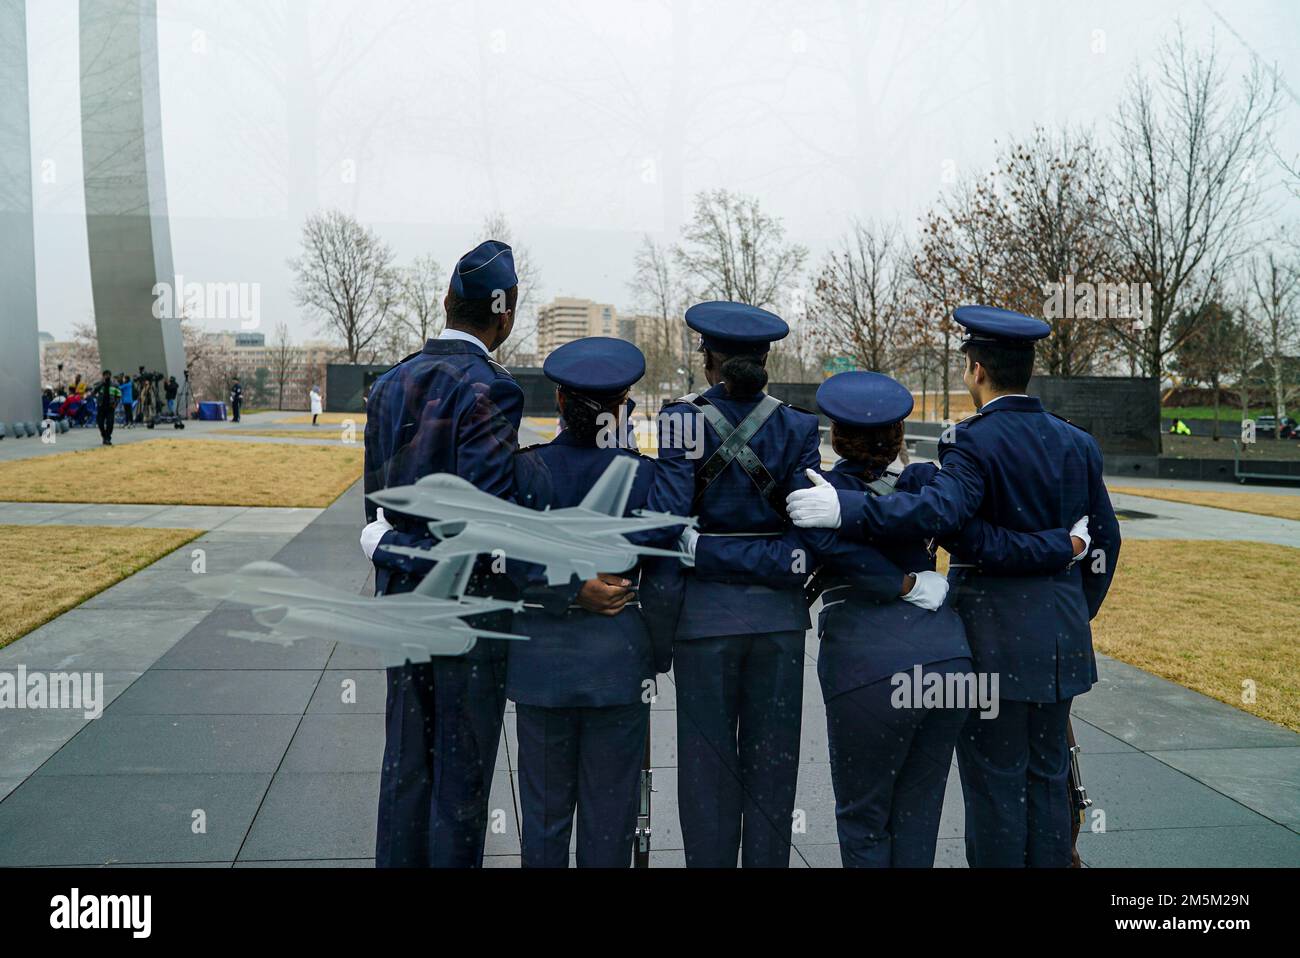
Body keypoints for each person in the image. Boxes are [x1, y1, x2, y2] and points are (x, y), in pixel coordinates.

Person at [787, 305, 1122, 868]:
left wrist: (844, 507)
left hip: (992, 636)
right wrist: (1070, 603)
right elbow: (1105, 541)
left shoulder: (971, 443)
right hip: (1060, 637)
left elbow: (959, 531)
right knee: (1047, 780)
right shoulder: (1077, 443)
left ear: (975, 370)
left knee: (995, 785)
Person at [359, 239, 628, 868]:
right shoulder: (490, 390)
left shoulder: (392, 383)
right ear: (504, 318)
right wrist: (567, 586)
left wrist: (391, 552)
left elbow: (376, 516)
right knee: (459, 777)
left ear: (448, 303)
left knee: (403, 767)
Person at [653, 301, 834, 868]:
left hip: (704, 622)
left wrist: (704, 550)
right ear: (765, 361)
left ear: (709, 362)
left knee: (706, 774)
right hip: (778, 622)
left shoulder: (679, 421)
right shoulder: (800, 427)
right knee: (773, 772)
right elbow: (802, 546)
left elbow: (671, 527)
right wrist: (769, 558)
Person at [508, 337, 691, 867]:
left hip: (543, 664)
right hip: (618, 663)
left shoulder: (525, 470)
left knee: (543, 821)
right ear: (624, 407)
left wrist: (564, 590)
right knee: (609, 820)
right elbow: (664, 572)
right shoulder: (647, 476)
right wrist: (654, 654)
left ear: (560, 403)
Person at [91, 370, 121, 446]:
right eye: (105, 375)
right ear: (103, 376)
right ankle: (104, 435)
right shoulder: (99, 384)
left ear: (110, 376)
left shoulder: (115, 385)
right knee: (100, 423)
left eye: (108, 375)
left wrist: (116, 403)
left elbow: (119, 395)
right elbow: (93, 393)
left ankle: (108, 438)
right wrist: (101, 384)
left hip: (110, 407)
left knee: (110, 423)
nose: (107, 377)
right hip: (101, 407)